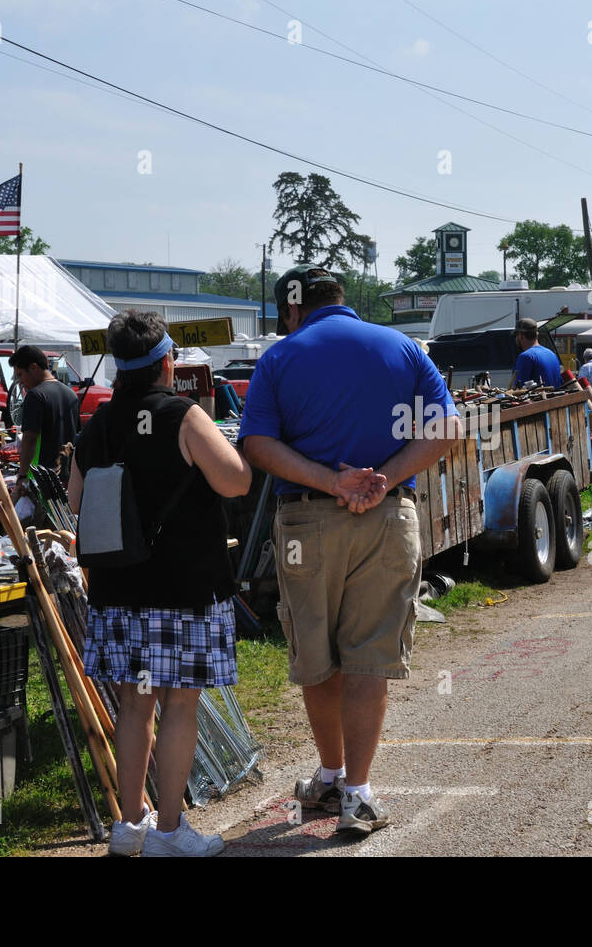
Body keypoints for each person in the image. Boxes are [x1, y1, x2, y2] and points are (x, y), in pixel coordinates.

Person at [239, 265, 462, 836]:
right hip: (388, 518)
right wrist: (382, 479)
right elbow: (445, 429)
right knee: (368, 656)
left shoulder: (280, 357)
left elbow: (257, 443)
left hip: (307, 523)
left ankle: (332, 774)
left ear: (292, 308)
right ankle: (357, 794)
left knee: (316, 653)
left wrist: (328, 480)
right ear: (342, 300)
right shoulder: (404, 347)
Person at [68, 310, 253, 856]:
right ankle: (170, 831)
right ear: (166, 361)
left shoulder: (96, 424)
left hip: (117, 589)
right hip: (184, 589)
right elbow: (237, 481)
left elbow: (77, 502)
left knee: (135, 704)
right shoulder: (182, 415)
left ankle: (129, 828)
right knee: (179, 706)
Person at [9, 345, 80, 496]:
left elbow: (29, 439)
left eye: (20, 374)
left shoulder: (35, 396)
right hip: (65, 478)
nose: (20, 381)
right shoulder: (71, 394)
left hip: (40, 480)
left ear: (33, 367)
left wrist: (22, 476)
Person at [511, 318, 563, 389]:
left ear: (521, 336)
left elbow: (518, 390)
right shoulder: (552, 354)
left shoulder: (525, 357)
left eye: (516, 336)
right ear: (536, 334)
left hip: (540, 400)